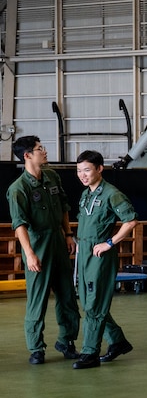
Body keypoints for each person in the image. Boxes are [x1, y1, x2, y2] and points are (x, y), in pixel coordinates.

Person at [7, 136, 80, 364]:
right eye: (40, 149)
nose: (45, 152)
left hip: (58, 242)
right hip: (37, 245)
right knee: (37, 299)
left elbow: (64, 206)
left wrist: (68, 234)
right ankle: (36, 347)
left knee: (67, 295)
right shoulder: (18, 189)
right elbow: (19, 225)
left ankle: (67, 341)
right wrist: (29, 254)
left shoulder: (52, 177)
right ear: (27, 155)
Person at [72, 151, 138, 370]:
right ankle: (118, 341)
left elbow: (130, 221)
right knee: (89, 300)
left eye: (87, 170)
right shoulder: (86, 194)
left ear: (100, 169)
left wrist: (110, 243)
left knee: (94, 303)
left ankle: (90, 353)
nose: (83, 175)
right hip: (85, 254)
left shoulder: (111, 193)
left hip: (100, 256)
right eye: (79, 170)